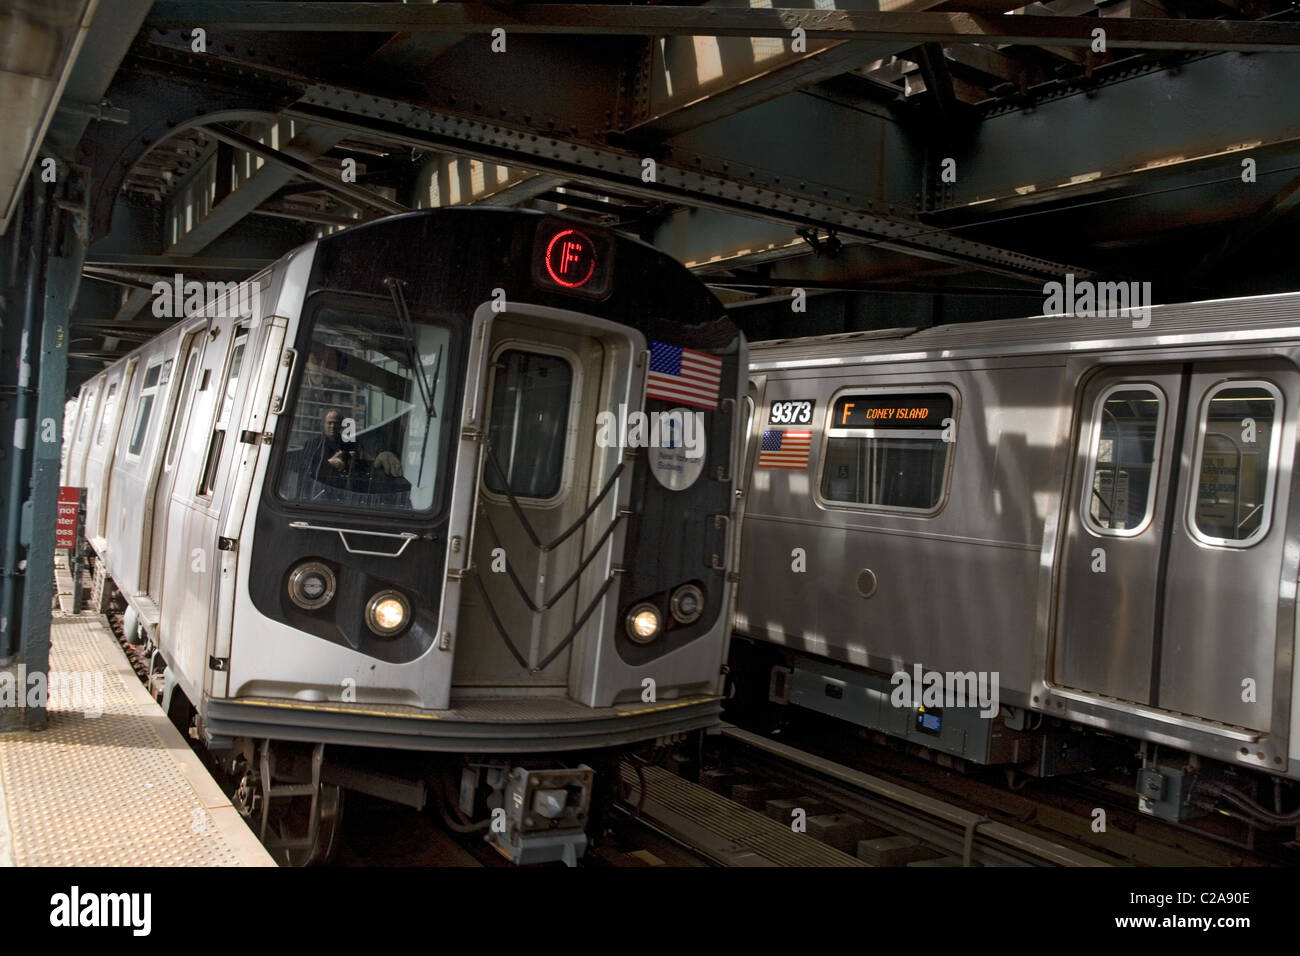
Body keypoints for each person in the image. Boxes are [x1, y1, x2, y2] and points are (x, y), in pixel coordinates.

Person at [299, 408, 403, 496]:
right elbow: (305, 469)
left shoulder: (348, 444)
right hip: (319, 492)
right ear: (323, 424)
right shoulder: (313, 444)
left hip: (345, 492)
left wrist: (378, 459)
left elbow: (362, 466)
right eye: (329, 423)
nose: (332, 426)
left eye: (336, 423)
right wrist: (329, 463)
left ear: (341, 425)